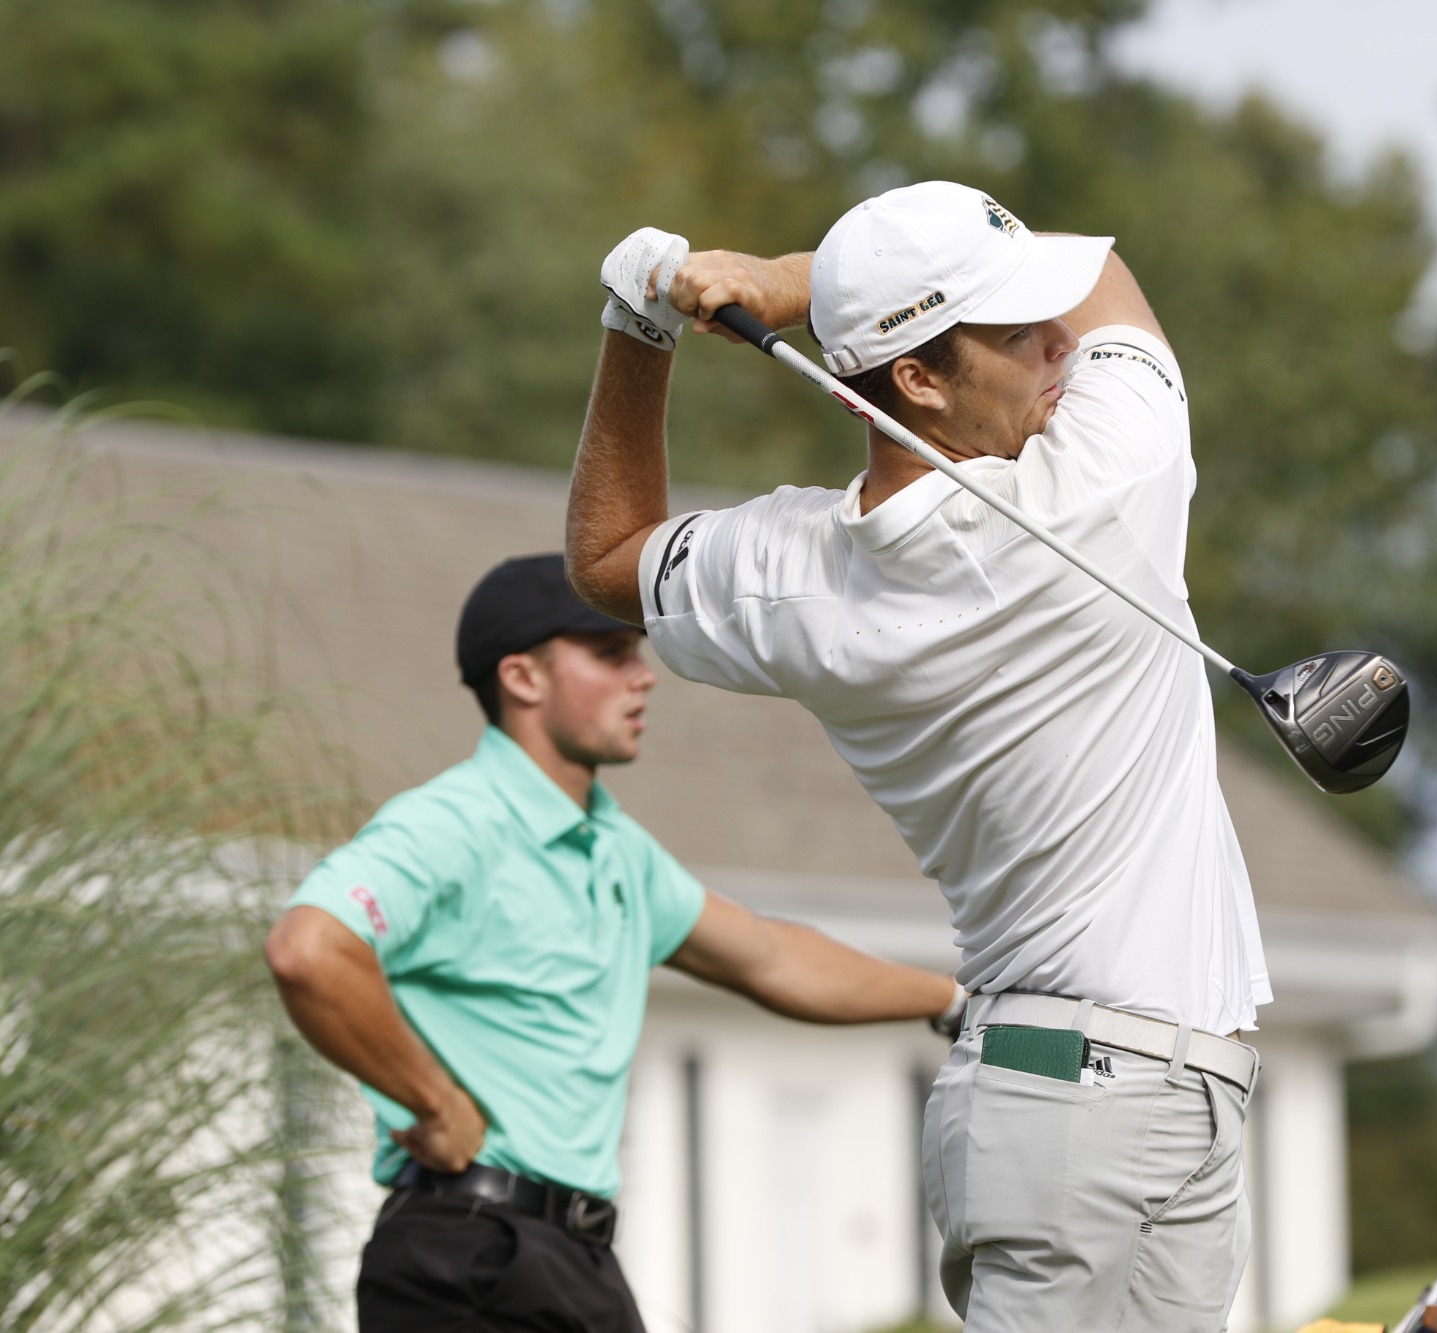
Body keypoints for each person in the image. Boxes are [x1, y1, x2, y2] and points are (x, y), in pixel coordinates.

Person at [566, 181, 1271, 1332]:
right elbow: (1106, 280)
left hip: (1068, 1106)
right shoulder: (1099, 483)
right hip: (1097, 1110)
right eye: (1011, 334)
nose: (1057, 347)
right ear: (917, 381)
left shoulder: (796, 573)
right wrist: (791, 280)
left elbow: (604, 559)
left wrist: (638, 329)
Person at [264, 552, 964, 1332]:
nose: (645, 675)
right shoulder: (455, 824)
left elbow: (770, 955)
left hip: (572, 1260)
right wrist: (434, 1099)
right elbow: (311, 950)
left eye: (637, 651)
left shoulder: (614, 848)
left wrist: (951, 998)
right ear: (523, 678)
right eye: (609, 654)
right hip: (464, 1257)